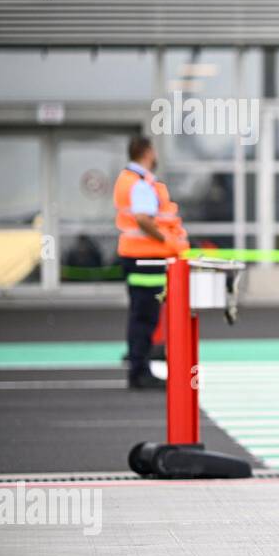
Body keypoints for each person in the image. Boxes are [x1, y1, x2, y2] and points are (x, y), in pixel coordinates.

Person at [114, 134, 187, 390]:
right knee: (145, 316)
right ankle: (139, 370)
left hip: (138, 256)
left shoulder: (129, 180)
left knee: (142, 315)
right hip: (144, 257)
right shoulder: (140, 183)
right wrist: (167, 239)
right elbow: (144, 219)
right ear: (146, 152)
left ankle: (139, 366)